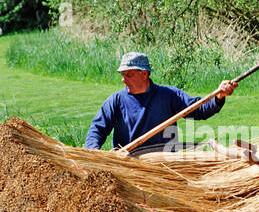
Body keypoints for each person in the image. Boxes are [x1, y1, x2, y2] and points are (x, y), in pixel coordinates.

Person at [85, 51, 237, 153]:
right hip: (129, 165)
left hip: (164, 165)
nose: (123, 79)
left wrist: (219, 96)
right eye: (123, 75)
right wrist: (93, 154)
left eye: (129, 75)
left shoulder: (168, 95)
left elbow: (199, 110)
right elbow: (97, 129)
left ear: (144, 73)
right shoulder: (116, 101)